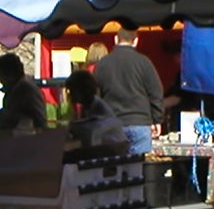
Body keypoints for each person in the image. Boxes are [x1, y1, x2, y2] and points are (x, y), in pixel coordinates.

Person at [94, 27, 166, 155]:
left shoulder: (102, 64)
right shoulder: (144, 62)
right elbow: (155, 92)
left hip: (112, 123)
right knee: (139, 170)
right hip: (140, 122)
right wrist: (157, 119)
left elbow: (96, 96)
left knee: (114, 169)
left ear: (116, 39)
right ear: (136, 41)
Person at [64, 69, 127, 149]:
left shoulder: (100, 108)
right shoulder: (86, 107)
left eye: (72, 91)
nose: (71, 96)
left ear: (83, 90)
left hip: (112, 150)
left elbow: (93, 132)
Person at [0, 52, 47, 135]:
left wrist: (9, 118)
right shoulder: (15, 90)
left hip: (26, 142)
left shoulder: (27, 90)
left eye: (0, 75)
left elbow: (39, 121)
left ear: (10, 74)